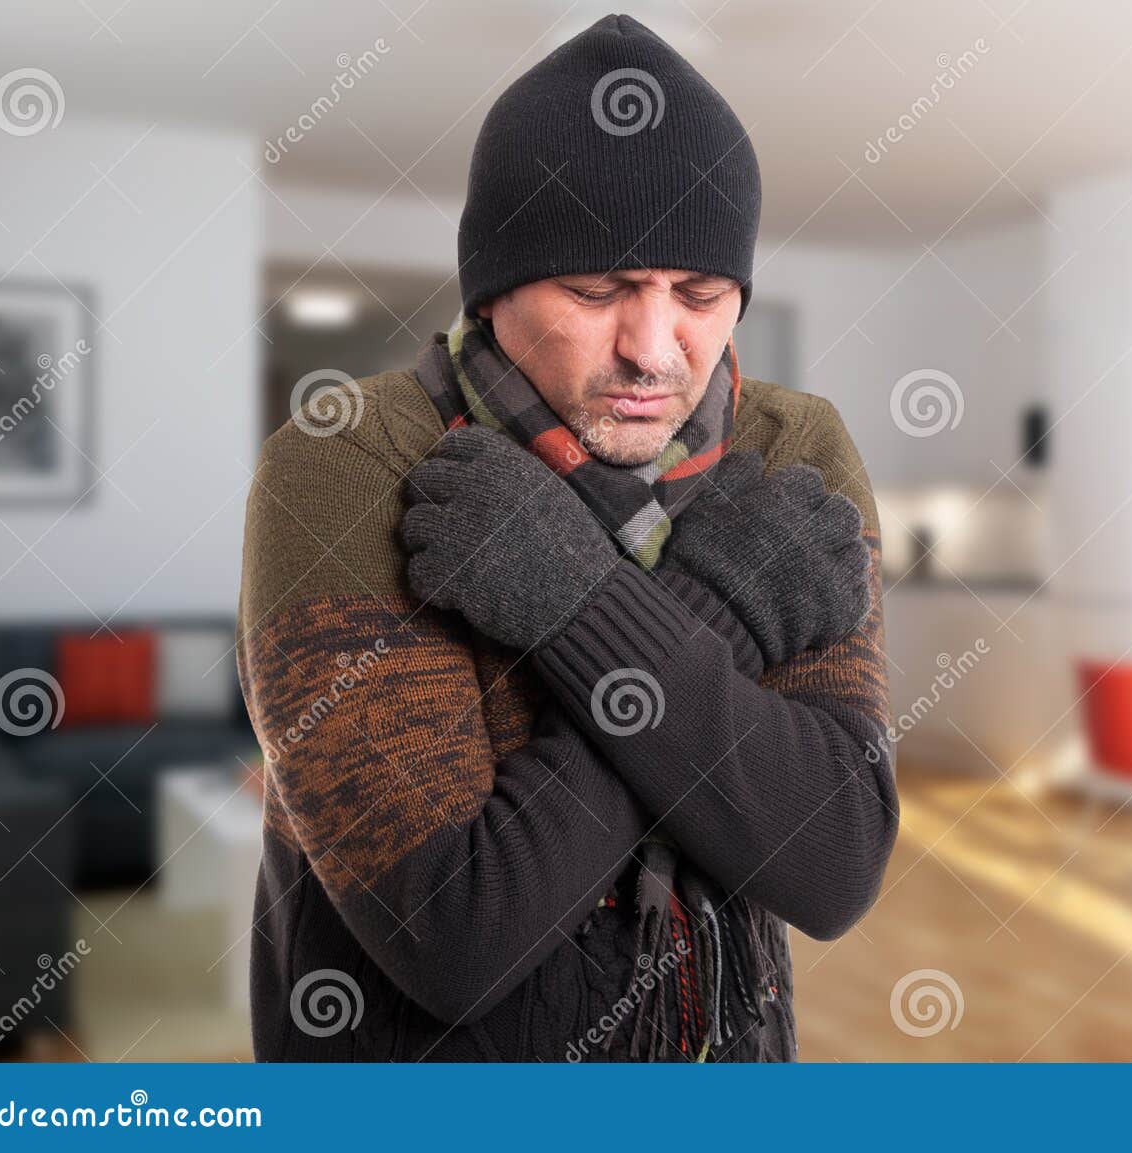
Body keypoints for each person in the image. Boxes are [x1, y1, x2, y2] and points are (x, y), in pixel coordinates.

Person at [237, 13, 896, 1062]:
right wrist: (725, 612)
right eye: (596, 291)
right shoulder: (349, 455)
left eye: (700, 293)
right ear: (493, 291)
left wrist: (572, 602)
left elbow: (830, 858)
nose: (651, 348)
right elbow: (456, 932)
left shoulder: (794, 446)